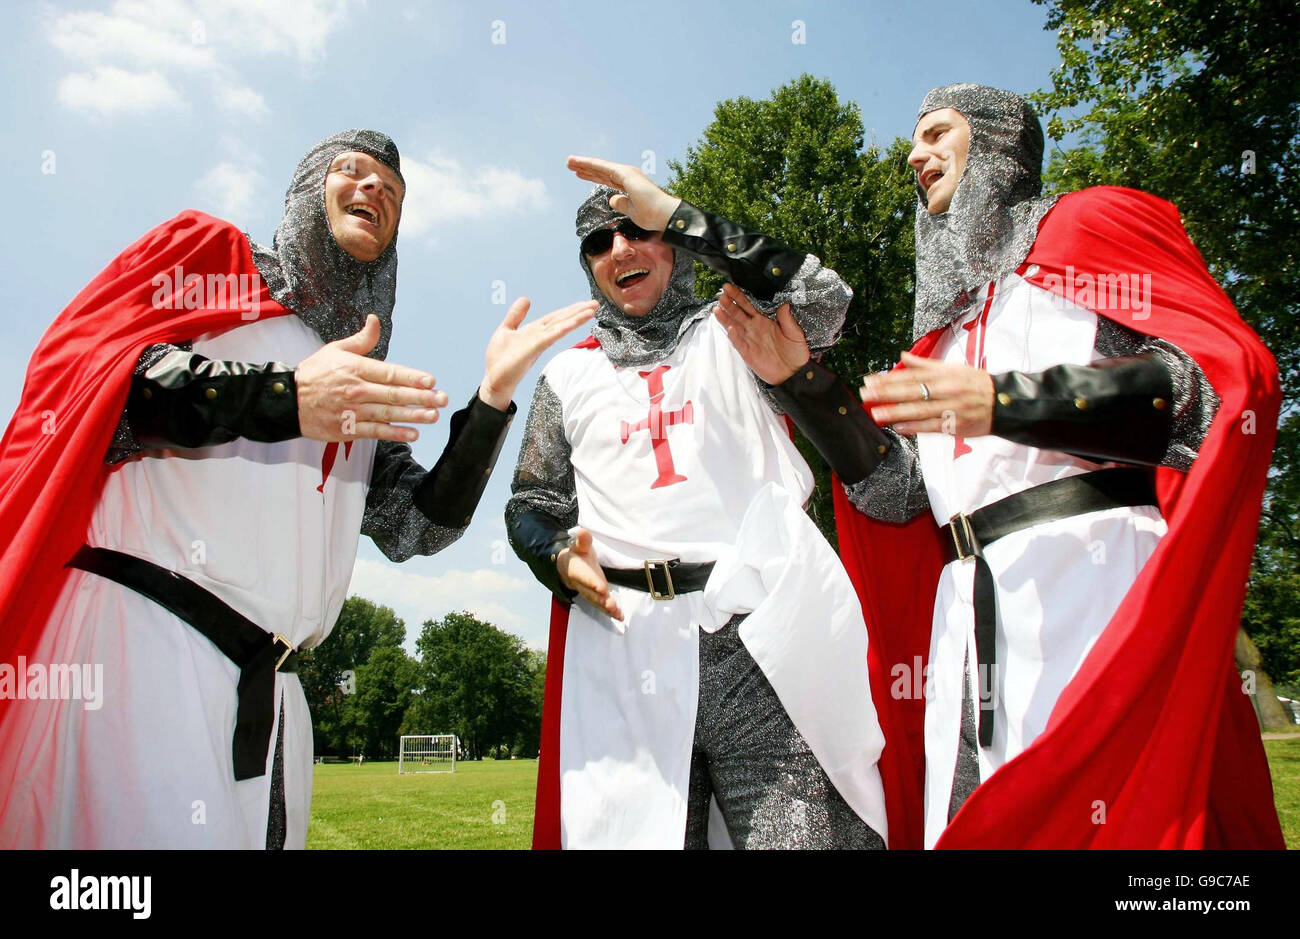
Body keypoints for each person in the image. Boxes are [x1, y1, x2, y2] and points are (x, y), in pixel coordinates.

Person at [718, 85, 1284, 848]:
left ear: (998, 140)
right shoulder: (940, 340)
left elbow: (1203, 390)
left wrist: (1006, 398)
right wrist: (804, 386)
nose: (914, 157)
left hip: (1098, 579)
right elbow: (901, 495)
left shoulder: (1092, 229)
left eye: (935, 133)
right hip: (966, 618)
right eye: (913, 143)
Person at [0, 130, 594, 848]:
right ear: (310, 189)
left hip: (276, 693)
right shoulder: (214, 267)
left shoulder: (356, 374)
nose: (377, 189)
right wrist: (284, 397)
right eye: (354, 172)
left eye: (395, 192)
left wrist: (493, 398)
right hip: (143, 654)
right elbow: (94, 385)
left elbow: (418, 527)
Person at [507, 156, 890, 850]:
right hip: (626, 650)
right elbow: (530, 500)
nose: (619, 248)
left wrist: (688, 215)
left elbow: (828, 299)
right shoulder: (566, 375)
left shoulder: (736, 327)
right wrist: (555, 552)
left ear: (672, 243)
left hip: (759, 640)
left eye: (636, 228)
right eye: (598, 242)